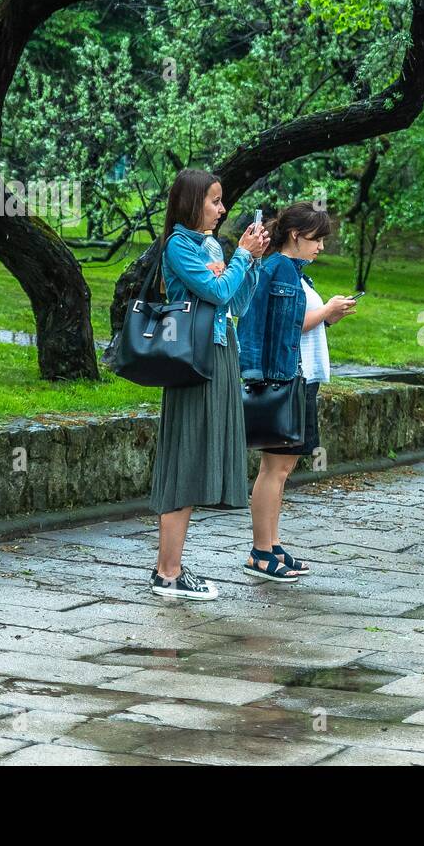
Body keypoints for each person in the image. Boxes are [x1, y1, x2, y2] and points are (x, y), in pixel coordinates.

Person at [148, 169, 268, 600]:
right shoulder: (179, 246)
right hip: (192, 359)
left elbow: (234, 301)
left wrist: (250, 263)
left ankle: (171, 567)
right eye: (215, 201)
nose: (221, 210)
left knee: (195, 458)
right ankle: (168, 572)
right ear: (192, 201)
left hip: (218, 354)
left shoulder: (211, 245)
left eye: (222, 202)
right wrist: (240, 257)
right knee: (185, 457)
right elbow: (215, 291)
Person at [238, 203, 357, 582]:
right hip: (285, 378)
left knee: (282, 467)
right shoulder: (278, 269)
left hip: (299, 377)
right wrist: (326, 313)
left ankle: (271, 545)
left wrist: (329, 316)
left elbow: (293, 325)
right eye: (317, 238)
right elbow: (278, 326)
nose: (321, 246)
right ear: (295, 235)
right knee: (275, 467)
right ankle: (260, 551)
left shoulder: (294, 272)